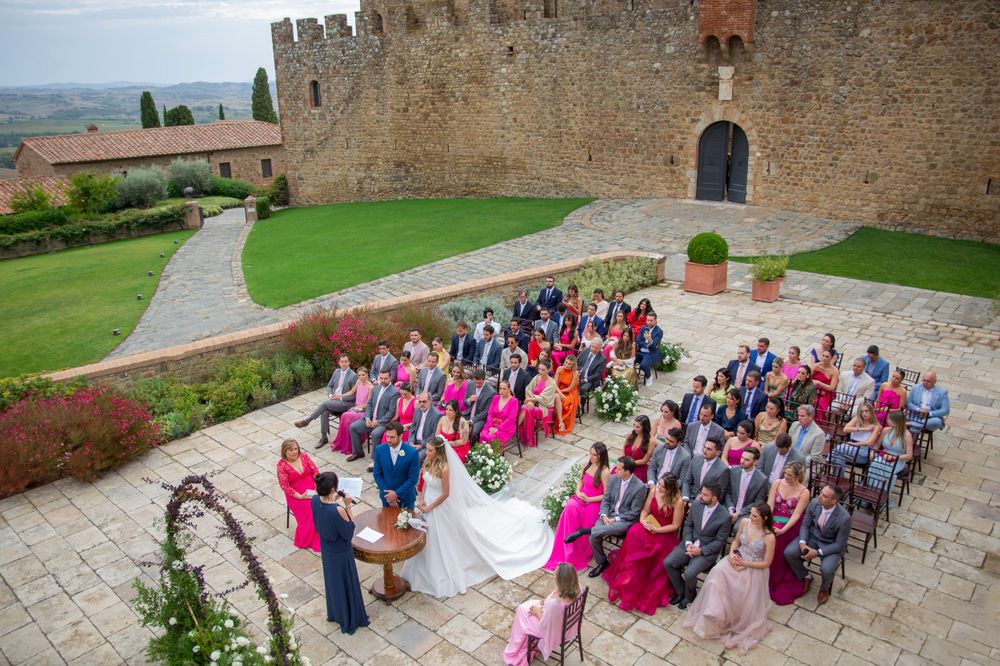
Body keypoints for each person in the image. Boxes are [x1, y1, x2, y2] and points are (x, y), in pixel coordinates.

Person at [401, 437, 554, 598]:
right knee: (426, 536)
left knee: (441, 539)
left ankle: (441, 572)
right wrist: (422, 499)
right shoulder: (428, 461)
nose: (427, 452)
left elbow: (446, 494)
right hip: (427, 503)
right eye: (427, 449)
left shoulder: (445, 468)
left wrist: (430, 507)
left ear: (438, 451)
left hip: (439, 507)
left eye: (430, 450)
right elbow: (425, 483)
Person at [682, 502, 775, 652]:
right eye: (750, 514)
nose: (750, 517)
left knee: (738, 587)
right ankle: (713, 611)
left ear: (764, 518)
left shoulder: (769, 536)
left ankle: (728, 616)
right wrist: (732, 553)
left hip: (753, 568)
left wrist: (744, 563)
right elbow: (736, 542)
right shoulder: (745, 522)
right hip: (736, 558)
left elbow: (766, 563)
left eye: (754, 516)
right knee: (717, 573)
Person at [604, 473, 684, 615]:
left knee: (655, 549)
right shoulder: (653, 491)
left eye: (662, 486)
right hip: (649, 524)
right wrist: (642, 521)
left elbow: (675, 525)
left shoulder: (677, 502)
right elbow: (646, 510)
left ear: (670, 489)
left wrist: (657, 530)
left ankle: (641, 582)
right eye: (659, 484)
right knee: (633, 533)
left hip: (664, 533)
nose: (658, 487)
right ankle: (628, 576)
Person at [564, 456, 647, 578]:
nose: (615, 470)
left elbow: (634, 512)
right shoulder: (614, 479)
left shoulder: (639, 487)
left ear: (627, 472)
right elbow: (606, 499)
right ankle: (602, 562)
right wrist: (603, 515)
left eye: (618, 469)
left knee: (595, 532)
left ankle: (583, 531)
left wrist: (615, 519)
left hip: (624, 519)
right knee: (593, 536)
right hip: (608, 514)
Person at [312, 471, 369, 634]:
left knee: (333, 582)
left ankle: (336, 613)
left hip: (327, 548)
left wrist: (333, 499)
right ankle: (351, 617)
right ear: (333, 488)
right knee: (346, 582)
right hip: (341, 552)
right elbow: (350, 530)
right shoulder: (338, 510)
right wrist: (348, 505)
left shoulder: (315, 501)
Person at [663, 482, 732, 609]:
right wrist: (688, 542)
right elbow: (689, 525)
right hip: (688, 544)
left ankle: (690, 596)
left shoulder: (725, 516)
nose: (700, 496)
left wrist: (700, 551)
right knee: (668, 562)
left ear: (714, 498)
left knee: (689, 573)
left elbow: (720, 541)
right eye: (701, 493)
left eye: (704, 495)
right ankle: (681, 591)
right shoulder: (696, 504)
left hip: (706, 551)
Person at [544, 443, 612, 570]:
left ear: (601, 456)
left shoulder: (605, 472)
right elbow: (580, 480)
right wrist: (577, 491)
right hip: (582, 497)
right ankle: (566, 545)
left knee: (583, 515)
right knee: (570, 507)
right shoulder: (588, 464)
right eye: (590, 453)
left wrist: (589, 499)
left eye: (594, 455)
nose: (591, 456)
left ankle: (575, 551)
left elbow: (606, 495)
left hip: (593, 502)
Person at [783, 484, 851, 605]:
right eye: (821, 493)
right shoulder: (814, 503)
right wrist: (803, 543)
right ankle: (806, 576)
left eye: (824, 496)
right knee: (789, 552)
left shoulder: (844, 518)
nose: (819, 496)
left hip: (831, 545)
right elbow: (805, 525)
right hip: (812, 538)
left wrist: (818, 552)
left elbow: (840, 544)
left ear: (834, 501)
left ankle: (824, 589)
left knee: (826, 569)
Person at [503, 563, 581, 666]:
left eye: (555, 574)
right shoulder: (578, 588)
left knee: (522, 610)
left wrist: (537, 612)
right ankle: (521, 640)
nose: (554, 575)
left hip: (554, 631)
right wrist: (548, 604)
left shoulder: (555, 605)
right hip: (567, 627)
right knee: (526, 607)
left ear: (561, 581)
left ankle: (517, 645)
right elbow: (557, 608)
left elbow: (545, 625)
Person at [767, 461, 811, 605]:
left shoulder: (804, 492)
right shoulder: (777, 483)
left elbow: (797, 515)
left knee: (778, 543)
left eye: (790, 475)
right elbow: (770, 505)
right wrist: (768, 522)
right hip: (773, 518)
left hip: (790, 524)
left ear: (798, 476)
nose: (786, 477)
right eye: (785, 473)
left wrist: (783, 530)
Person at [295, 354, 358, 449]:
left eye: (346, 361)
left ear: (349, 362)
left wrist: (339, 398)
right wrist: (330, 395)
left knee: (325, 403)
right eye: (342, 361)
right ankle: (324, 437)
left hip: (346, 403)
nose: (344, 363)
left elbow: (354, 396)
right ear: (339, 362)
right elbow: (329, 386)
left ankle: (307, 421)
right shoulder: (336, 372)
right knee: (324, 412)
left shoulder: (353, 376)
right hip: (335, 402)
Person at [276, 439, 320, 552]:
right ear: (285, 451)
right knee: (310, 508)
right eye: (291, 450)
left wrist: (317, 484)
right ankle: (310, 537)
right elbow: (285, 486)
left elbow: (315, 471)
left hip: (312, 488)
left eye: (296, 449)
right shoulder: (282, 466)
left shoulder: (304, 456)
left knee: (326, 502)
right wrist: (300, 496)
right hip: (295, 494)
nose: (294, 452)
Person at [347, 369, 399, 464]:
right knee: (353, 427)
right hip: (370, 419)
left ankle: (375, 460)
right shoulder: (376, 388)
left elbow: (391, 412)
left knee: (375, 434)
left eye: (385, 378)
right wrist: (367, 418)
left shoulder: (394, 392)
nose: (383, 380)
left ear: (390, 378)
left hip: (383, 423)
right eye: (381, 378)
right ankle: (358, 452)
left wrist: (378, 422)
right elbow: (369, 404)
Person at [866, 410, 914, 508]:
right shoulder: (886, 430)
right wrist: (872, 452)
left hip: (898, 459)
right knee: (874, 465)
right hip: (884, 455)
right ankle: (870, 495)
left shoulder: (907, 435)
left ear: (897, 421)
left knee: (885, 468)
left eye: (890, 419)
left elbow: (909, 456)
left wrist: (895, 457)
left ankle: (880, 499)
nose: (887, 421)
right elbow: (877, 445)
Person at [373, 422, 421, 509]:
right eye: (387, 436)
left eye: (392, 437)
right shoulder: (379, 450)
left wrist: (396, 493)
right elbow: (377, 474)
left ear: (401, 436)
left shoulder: (412, 453)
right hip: (386, 497)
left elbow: (413, 478)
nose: (388, 439)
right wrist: (388, 494)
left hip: (406, 497)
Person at [330, 367, 371, 455]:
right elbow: (351, 392)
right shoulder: (358, 382)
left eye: (363, 375)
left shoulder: (371, 387)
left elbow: (368, 404)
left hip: (363, 411)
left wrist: (357, 408)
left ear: (367, 374)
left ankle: (352, 445)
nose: (361, 377)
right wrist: (339, 396)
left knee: (345, 415)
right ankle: (346, 444)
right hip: (355, 409)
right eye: (359, 375)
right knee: (345, 417)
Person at [830, 401, 881, 469]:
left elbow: (870, 442)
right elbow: (845, 429)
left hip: (863, 452)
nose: (864, 414)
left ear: (871, 411)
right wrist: (864, 429)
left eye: (866, 411)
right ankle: (839, 478)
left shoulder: (876, 425)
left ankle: (824, 464)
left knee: (840, 448)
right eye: (862, 411)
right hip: (849, 448)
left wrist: (855, 444)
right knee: (837, 458)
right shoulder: (856, 419)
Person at [725, 448, 769, 525]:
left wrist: (739, 513)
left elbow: (758, 502)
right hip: (729, 507)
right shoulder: (733, 471)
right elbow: (727, 492)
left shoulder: (762, 479)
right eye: (742, 457)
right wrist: (730, 508)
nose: (742, 461)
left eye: (747, 460)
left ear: (755, 462)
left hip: (746, 512)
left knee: (737, 528)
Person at [518, 362, 556, 447]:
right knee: (526, 408)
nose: (540, 371)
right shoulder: (536, 377)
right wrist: (529, 400)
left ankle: (517, 429)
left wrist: (530, 399)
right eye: (539, 369)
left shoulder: (552, 383)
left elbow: (544, 398)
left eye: (543, 370)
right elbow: (528, 389)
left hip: (544, 407)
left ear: (548, 370)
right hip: (532, 402)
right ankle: (524, 434)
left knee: (525, 408)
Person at [481, 380, 520, 448]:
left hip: (506, 427)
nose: (501, 391)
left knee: (491, 437)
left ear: (509, 389)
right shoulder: (496, 398)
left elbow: (511, 419)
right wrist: (490, 426)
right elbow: (490, 413)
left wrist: (497, 429)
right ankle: (484, 455)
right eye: (500, 388)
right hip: (492, 424)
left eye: (504, 389)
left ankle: (493, 456)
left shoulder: (514, 401)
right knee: (483, 435)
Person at [464, 369, 496, 443]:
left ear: (484, 380)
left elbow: (486, 412)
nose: (477, 385)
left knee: (474, 432)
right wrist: (469, 400)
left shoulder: (491, 392)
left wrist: (472, 421)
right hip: (468, 413)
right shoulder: (470, 385)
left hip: (480, 418)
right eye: (475, 382)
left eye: (479, 383)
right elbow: (464, 402)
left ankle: (472, 447)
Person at [407, 391, 442, 459]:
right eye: (420, 402)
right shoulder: (417, 410)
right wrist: (411, 441)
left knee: (417, 458)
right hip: (414, 441)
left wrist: (422, 445)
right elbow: (413, 427)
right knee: (401, 452)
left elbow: (434, 434)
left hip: (427, 444)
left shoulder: (437, 415)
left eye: (424, 401)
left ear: (430, 401)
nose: (422, 404)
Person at [553, 354, 580, 435]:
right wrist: (558, 392)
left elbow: (570, 389)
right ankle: (553, 421)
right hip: (558, 389)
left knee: (565, 402)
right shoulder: (559, 369)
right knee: (556, 398)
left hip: (570, 392)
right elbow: (555, 383)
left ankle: (561, 424)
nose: (567, 365)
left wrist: (560, 392)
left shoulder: (575, 373)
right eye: (566, 362)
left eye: (569, 364)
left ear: (573, 365)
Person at [636, 312, 663, 388]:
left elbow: (654, 346)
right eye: (647, 320)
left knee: (643, 365)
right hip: (640, 351)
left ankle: (649, 376)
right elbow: (638, 340)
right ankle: (633, 376)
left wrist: (650, 340)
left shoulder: (659, 331)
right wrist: (647, 345)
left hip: (650, 353)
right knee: (629, 359)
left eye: (651, 320)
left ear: (655, 321)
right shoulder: (643, 328)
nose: (649, 322)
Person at [623, 415, 654, 483]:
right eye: (634, 425)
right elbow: (623, 450)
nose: (634, 428)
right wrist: (621, 462)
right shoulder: (630, 435)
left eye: (638, 427)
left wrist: (629, 463)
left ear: (644, 428)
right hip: (624, 465)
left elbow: (645, 460)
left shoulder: (650, 441)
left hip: (638, 468)